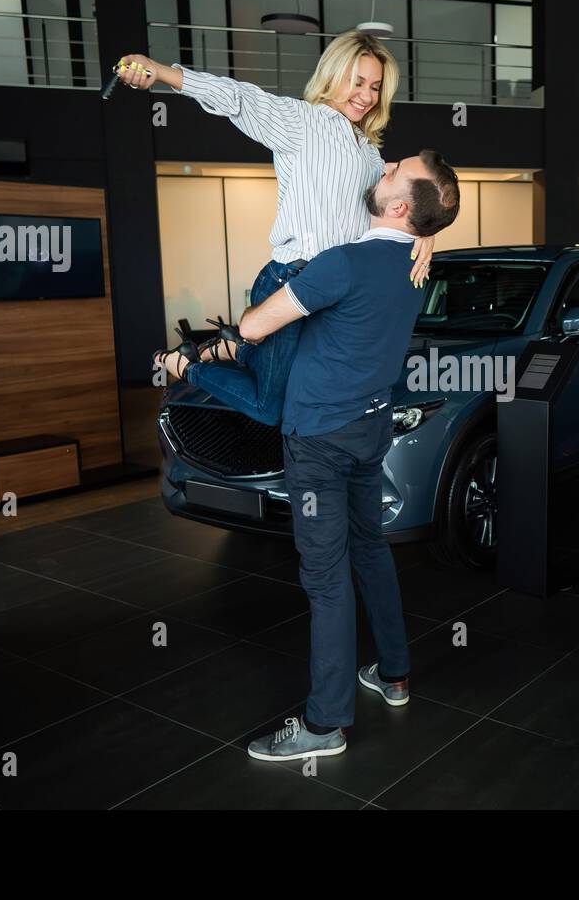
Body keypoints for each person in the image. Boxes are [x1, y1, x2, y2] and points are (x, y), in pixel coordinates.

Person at [215, 150, 460, 761]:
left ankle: (324, 726)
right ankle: (394, 674)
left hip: (320, 439)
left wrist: (255, 312)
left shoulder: (344, 263)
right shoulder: (414, 263)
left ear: (400, 206)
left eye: (389, 173)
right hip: (370, 427)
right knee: (370, 551)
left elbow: (251, 328)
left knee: (325, 579)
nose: (378, 174)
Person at [116, 32, 435, 426]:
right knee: (271, 407)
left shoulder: (369, 151)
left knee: (307, 390)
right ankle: (184, 363)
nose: (366, 96)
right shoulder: (301, 122)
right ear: (333, 74)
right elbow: (237, 98)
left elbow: (401, 203)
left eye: (375, 87)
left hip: (331, 291)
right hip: (291, 279)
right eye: (358, 82)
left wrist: (426, 233)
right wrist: (162, 73)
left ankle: (234, 348)